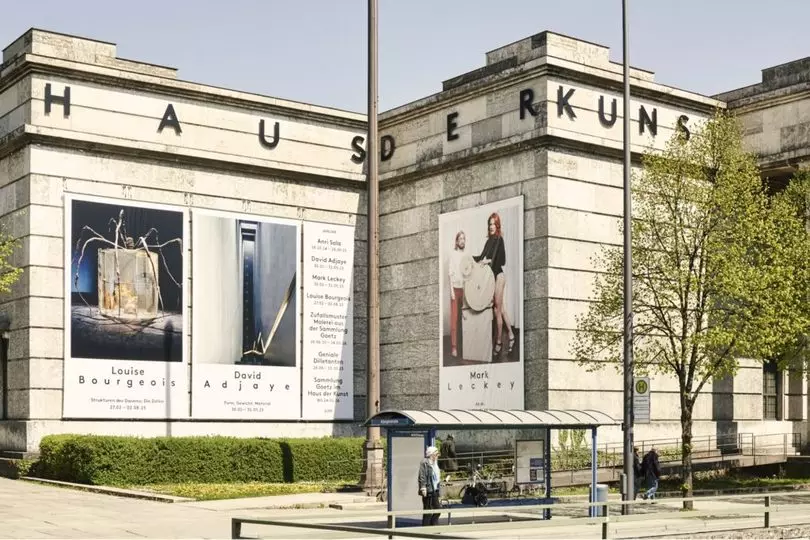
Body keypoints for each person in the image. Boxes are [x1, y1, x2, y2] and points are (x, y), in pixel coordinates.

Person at [473, 212, 515, 358]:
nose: (491, 226)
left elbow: (502, 261)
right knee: (501, 309)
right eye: (489, 224)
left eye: (493, 224)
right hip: (491, 277)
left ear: (497, 225)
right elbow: (480, 257)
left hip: (499, 276)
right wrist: (469, 258)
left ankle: (498, 341)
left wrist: (488, 261)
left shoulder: (499, 240)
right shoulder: (489, 241)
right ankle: (511, 334)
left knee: (497, 308)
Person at [448, 231, 467, 358]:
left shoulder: (466, 255)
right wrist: (451, 292)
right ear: (456, 241)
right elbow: (450, 273)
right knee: (454, 319)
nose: (462, 241)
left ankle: (465, 345)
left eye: (463, 239)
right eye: (460, 239)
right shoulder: (453, 254)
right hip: (455, 289)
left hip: (464, 289)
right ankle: (454, 347)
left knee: (465, 317)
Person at [417, 446, 442, 526]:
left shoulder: (435, 463)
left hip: (435, 490)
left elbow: (436, 476)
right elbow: (422, 476)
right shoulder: (424, 462)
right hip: (428, 490)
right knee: (427, 510)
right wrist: (423, 487)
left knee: (437, 509)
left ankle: (433, 526)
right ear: (432, 454)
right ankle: (427, 528)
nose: (438, 455)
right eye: (436, 454)